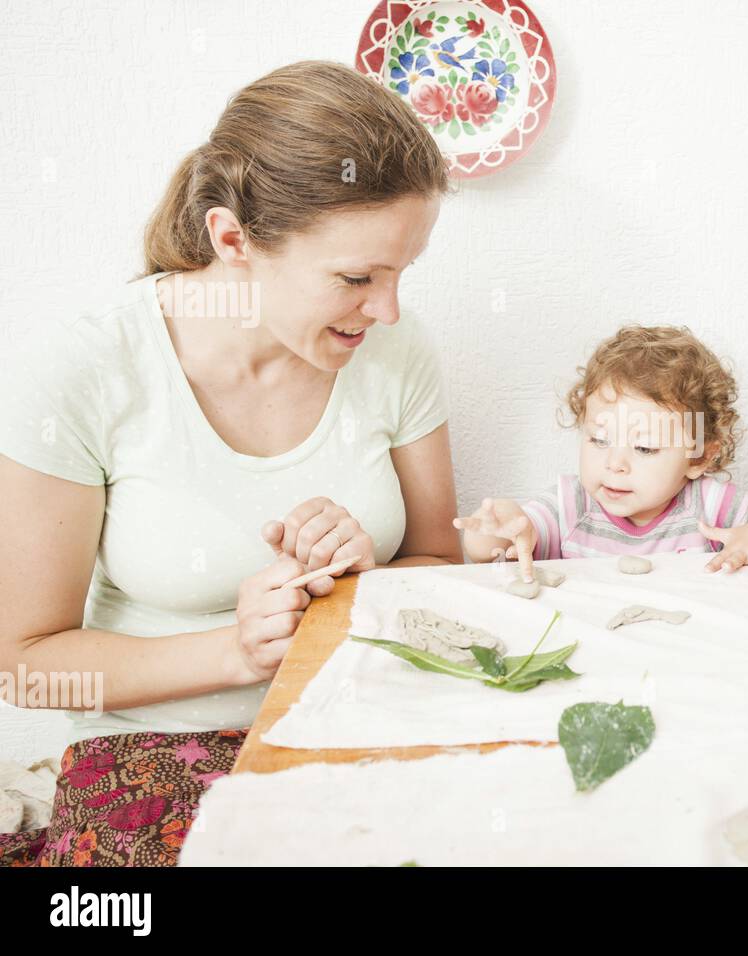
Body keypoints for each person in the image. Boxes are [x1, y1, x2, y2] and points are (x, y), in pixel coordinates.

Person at [0, 61, 460, 866]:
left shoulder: (395, 347)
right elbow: (25, 671)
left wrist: (359, 585)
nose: (386, 309)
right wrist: (234, 652)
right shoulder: (85, 372)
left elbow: (437, 563)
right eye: (356, 277)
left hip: (356, 721)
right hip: (152, 753)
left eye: (402, 274)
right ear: (232, 240)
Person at [454, 325, 748, 578]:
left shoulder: (709, 506)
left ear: (698, 456)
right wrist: (498, 527)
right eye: (599, 440)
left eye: (645, 447)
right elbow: (487, 547)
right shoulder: (572, 505)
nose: (614, 464)